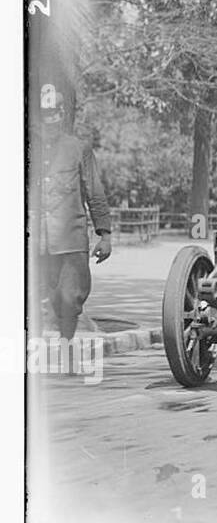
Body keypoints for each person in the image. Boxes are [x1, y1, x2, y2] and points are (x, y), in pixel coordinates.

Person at [35, 91, 112, 339]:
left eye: (55, 113)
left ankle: (67, 348)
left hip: (70, 240)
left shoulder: (79, 149)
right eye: (45, 115)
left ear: (62, 114)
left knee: (69, 299)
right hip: (36, 242)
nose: (50, 120)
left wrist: (105, 235)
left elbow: (95, 193)